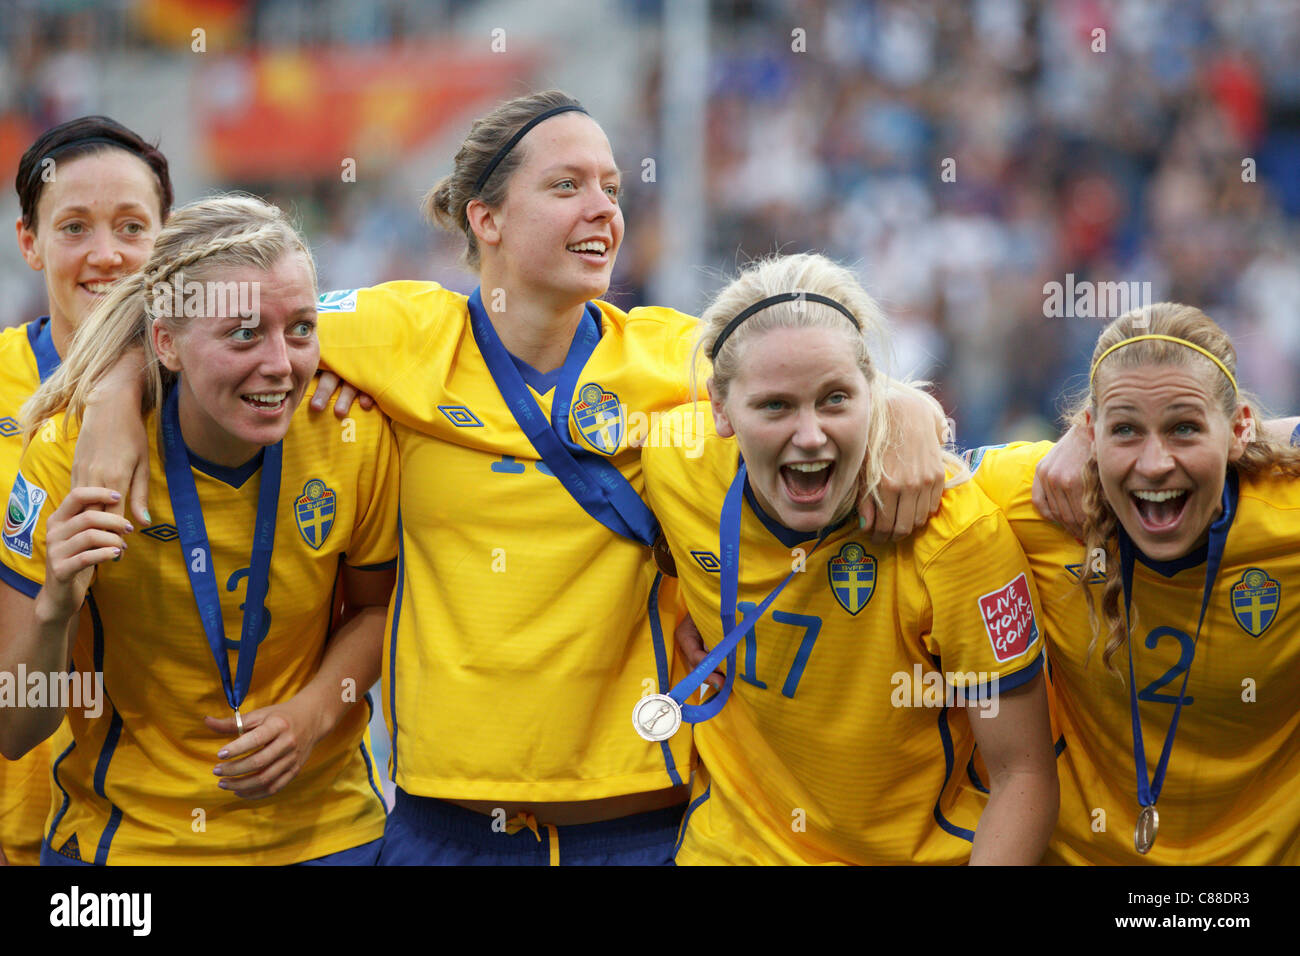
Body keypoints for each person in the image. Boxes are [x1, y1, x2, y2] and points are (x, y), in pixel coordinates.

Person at [71, 91, 946, 865]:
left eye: (611, 186)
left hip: (636, 823)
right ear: (484, 218)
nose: (603, 208)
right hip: (443, 828)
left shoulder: (678, 356)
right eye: (567, 187)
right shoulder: (395, 332)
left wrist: (906, 407)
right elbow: (194, 307)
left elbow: (816, 378)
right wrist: (116, 395)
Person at [0, 195, 398, 864]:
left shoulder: (351, 431)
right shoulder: (69, 457)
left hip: (329, 837)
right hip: (129, 847)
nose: (280, 362)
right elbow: (16, 729)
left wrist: (313, 714)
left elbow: (375, 608)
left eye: (300, 329)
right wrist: (55, 608)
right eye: (243, 333)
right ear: (165, 342)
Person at [641, 253, 1058, 864]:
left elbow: (1024, 776)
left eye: (835, 400)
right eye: (775, 407)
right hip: (730, 850)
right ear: (721, 410)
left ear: (875, 394)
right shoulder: (671, 462)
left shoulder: (956, 536)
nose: (809, 436)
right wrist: (689, 615)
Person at [963, 302, 1300, 863]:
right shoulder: (1036, 497)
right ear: (1090, 431)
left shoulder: (1286, 512)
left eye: (1185, 428)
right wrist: (906, 413)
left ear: (1240, 427)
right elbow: (895, 464)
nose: (1154, 463)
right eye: (1125, 431)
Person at [0, 115, 173, 866]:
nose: (106, 254)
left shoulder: (225, 394)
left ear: (168, 244)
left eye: (132, 226)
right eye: (74, 227)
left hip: (142, 835)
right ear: (29, 241)